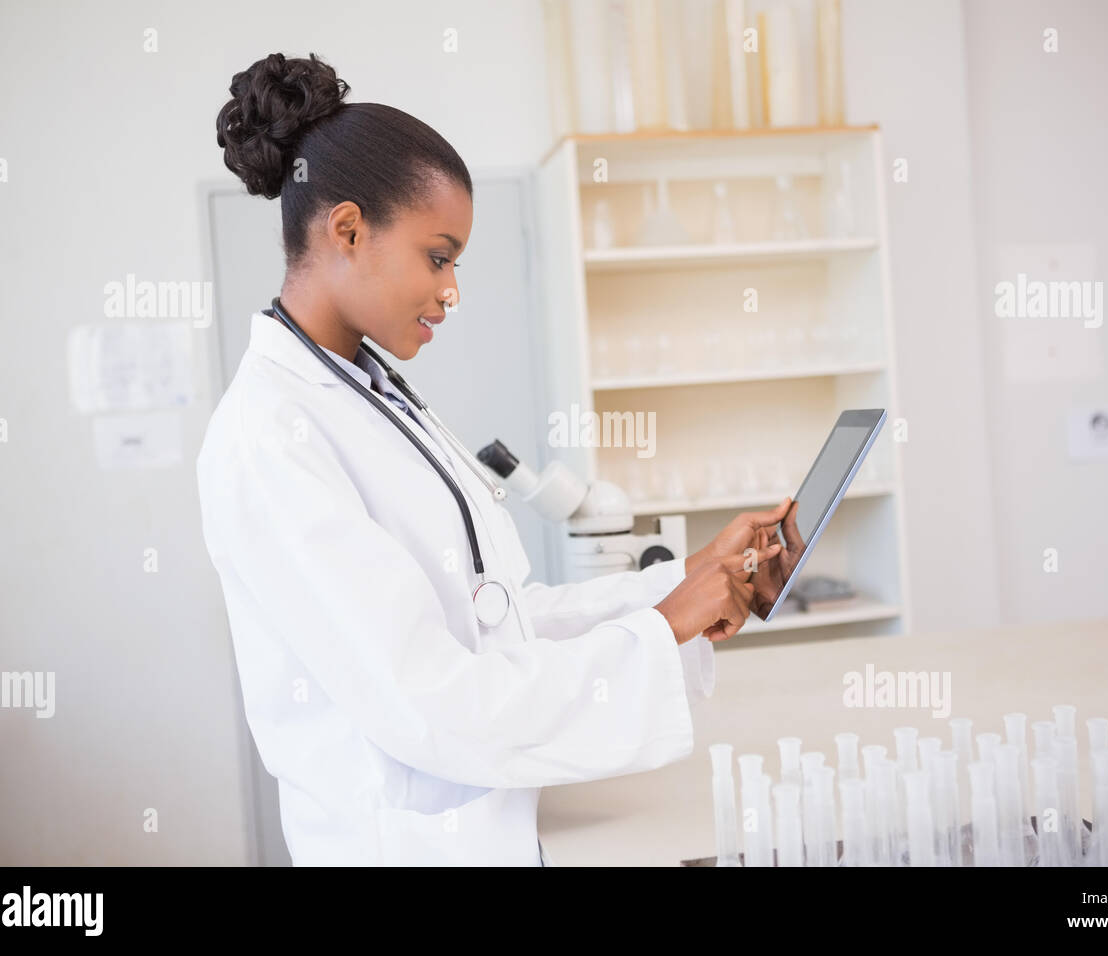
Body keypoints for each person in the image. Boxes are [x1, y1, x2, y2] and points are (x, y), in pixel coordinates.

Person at [198, 51, 788, 866]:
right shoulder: (269, 434)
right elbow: (433, 700)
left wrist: (680, 584)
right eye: (438, 257)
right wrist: (663, 623)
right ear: (347, 229)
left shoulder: (371, 393)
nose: (450, 290)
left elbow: (498, 619)